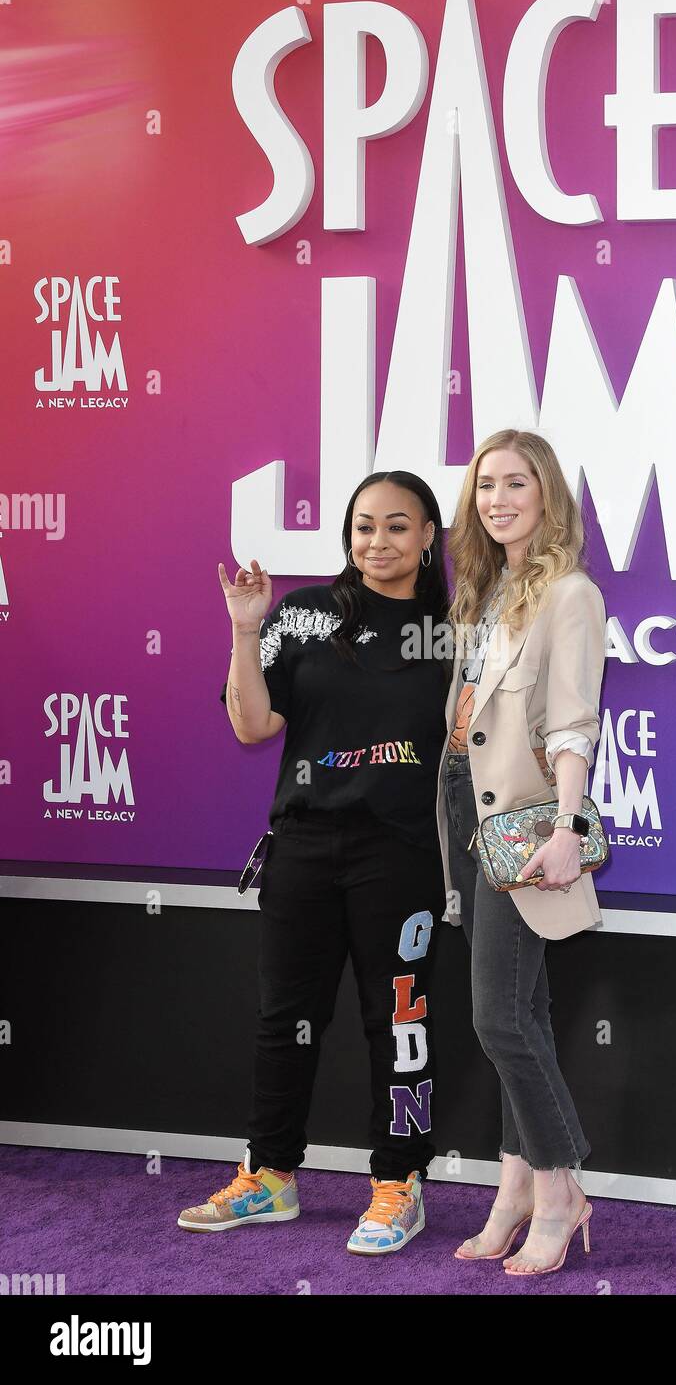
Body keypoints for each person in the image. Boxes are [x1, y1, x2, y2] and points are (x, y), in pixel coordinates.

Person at [178, 472, 451, 1255]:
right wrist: (242, 629)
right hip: (301, 846)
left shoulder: (455, 627)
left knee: (397, 1017)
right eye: (364, 527)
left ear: (430, 535)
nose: (378, 542)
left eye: (397, 527)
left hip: (398, 854)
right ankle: (269, 1176)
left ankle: (399, 1182)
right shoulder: (302, 614)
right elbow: (252, 725)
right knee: (283, 1019)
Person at [437, 428, 607, 1276]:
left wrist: (569, 832)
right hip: (468, 818)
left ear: (546, 496)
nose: (496, 499)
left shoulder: (567, 593)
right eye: (485, 486)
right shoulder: (488, 587)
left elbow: (575, 719)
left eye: (515, 483)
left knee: (498, 1018)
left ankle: (560, 1187)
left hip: (527, 827)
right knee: (522, 1014)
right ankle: (514, 1187)